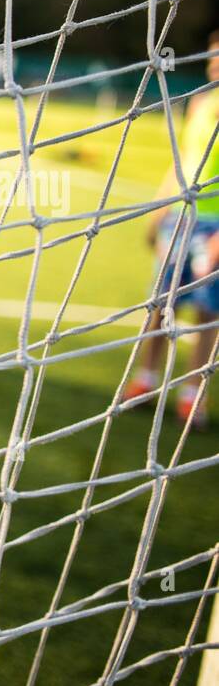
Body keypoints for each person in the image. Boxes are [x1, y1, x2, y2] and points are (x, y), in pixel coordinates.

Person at [121, 30, 219, 429]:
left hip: (214, 225)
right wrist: (159, 210)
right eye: (213, 55)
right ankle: (145, 380)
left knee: (207, 312)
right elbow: (183, 159)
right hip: (180, 216)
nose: (214, 62)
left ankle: (193, 395)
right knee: (160, 303)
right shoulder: (200, 101)